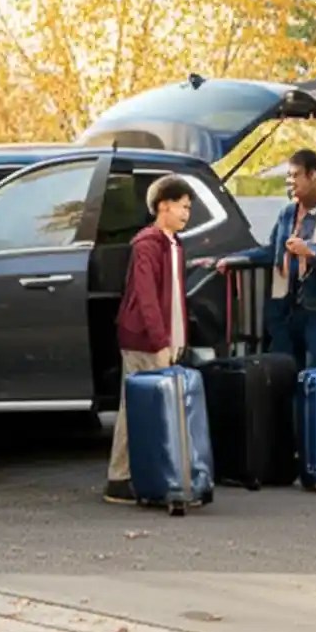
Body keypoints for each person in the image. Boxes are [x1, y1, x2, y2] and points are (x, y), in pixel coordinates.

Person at [198, 149, 316, 369]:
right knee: (283, 371)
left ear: (313, 175)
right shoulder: (288, 213)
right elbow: (273, 250)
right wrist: (233, 259)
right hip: (284, 308)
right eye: (288, 177)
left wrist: (310, 250)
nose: (290, 182)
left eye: (295, 176)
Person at [105, 174, 195, 504]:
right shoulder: (148, 244)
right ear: (163, 206)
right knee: (133, 409)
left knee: (156, 410)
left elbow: (173, 299)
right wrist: (160, 341)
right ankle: (119, 477)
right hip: (143, 340)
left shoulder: (174, 244)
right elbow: (146, 297)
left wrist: (177, 338)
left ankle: (153, 475)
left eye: (189, 208)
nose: (187, 213)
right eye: (182, 207)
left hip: (163, 340)